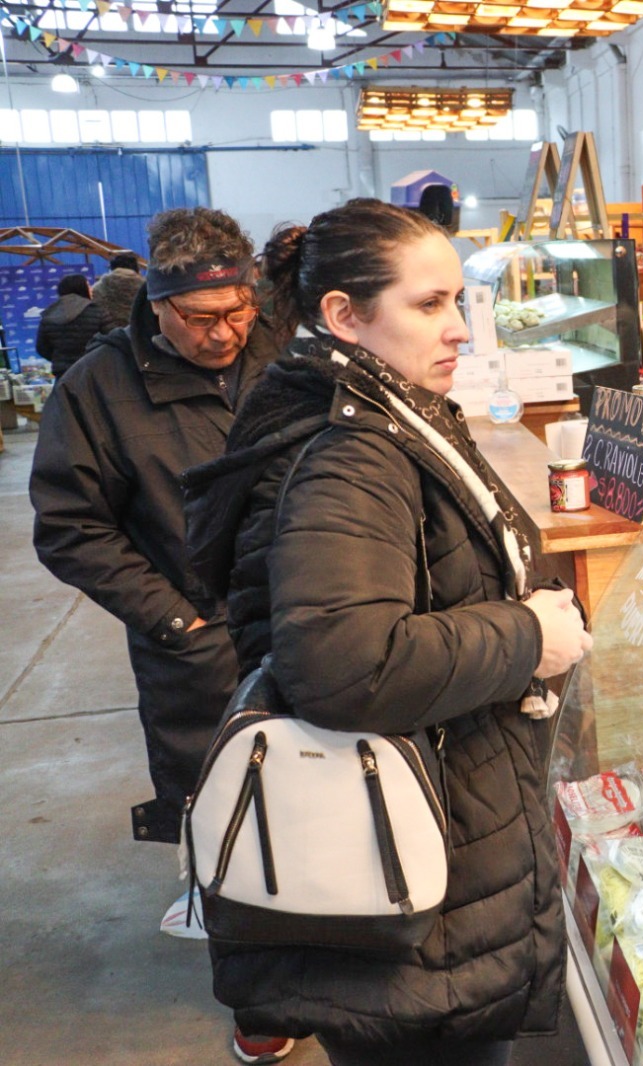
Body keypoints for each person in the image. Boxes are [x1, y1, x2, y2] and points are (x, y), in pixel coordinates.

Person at [183, 197, 591, 1066]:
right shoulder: (353, 453)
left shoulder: (386, 413)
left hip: (431, 850)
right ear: (343, 315)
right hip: (407, 892)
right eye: (428, 304)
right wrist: (526, 637)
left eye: (457, 304)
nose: (458, 332)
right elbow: (342, 664)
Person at [29, 208, 278, 935]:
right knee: (217, 800)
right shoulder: (96, 388)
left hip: (310, 615)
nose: (224, 333)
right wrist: (176, 619)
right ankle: (239, 950)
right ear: (158, 303)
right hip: (198, 636)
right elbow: (70, 527)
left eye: (237, 311)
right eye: (200, 318)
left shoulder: (288, 354)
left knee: (317, 796)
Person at [35, 273, 111, 381]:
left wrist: (59, 359)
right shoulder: (98, 312)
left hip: (63, 373)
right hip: (94, 371)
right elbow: (111, 340)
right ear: (82, 289)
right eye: (88, 285)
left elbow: (41, 347)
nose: (91, 289)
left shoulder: (49, 314)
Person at [92, 251, 146, 329]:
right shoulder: (146, 288)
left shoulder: (99, 288)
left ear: (112, 267)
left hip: (109, 334)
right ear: (136, 268)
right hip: (140, 332)